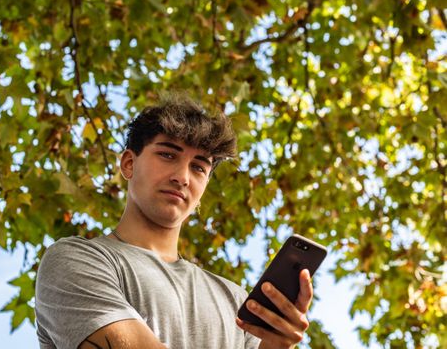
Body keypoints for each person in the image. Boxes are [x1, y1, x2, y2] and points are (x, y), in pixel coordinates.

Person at [35, 93, 313, 349]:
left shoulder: (236, 301)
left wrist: (276, 346)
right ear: (128, 164)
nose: (183, 177)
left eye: (199, 167)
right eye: (168, 155)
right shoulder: (78, 261)